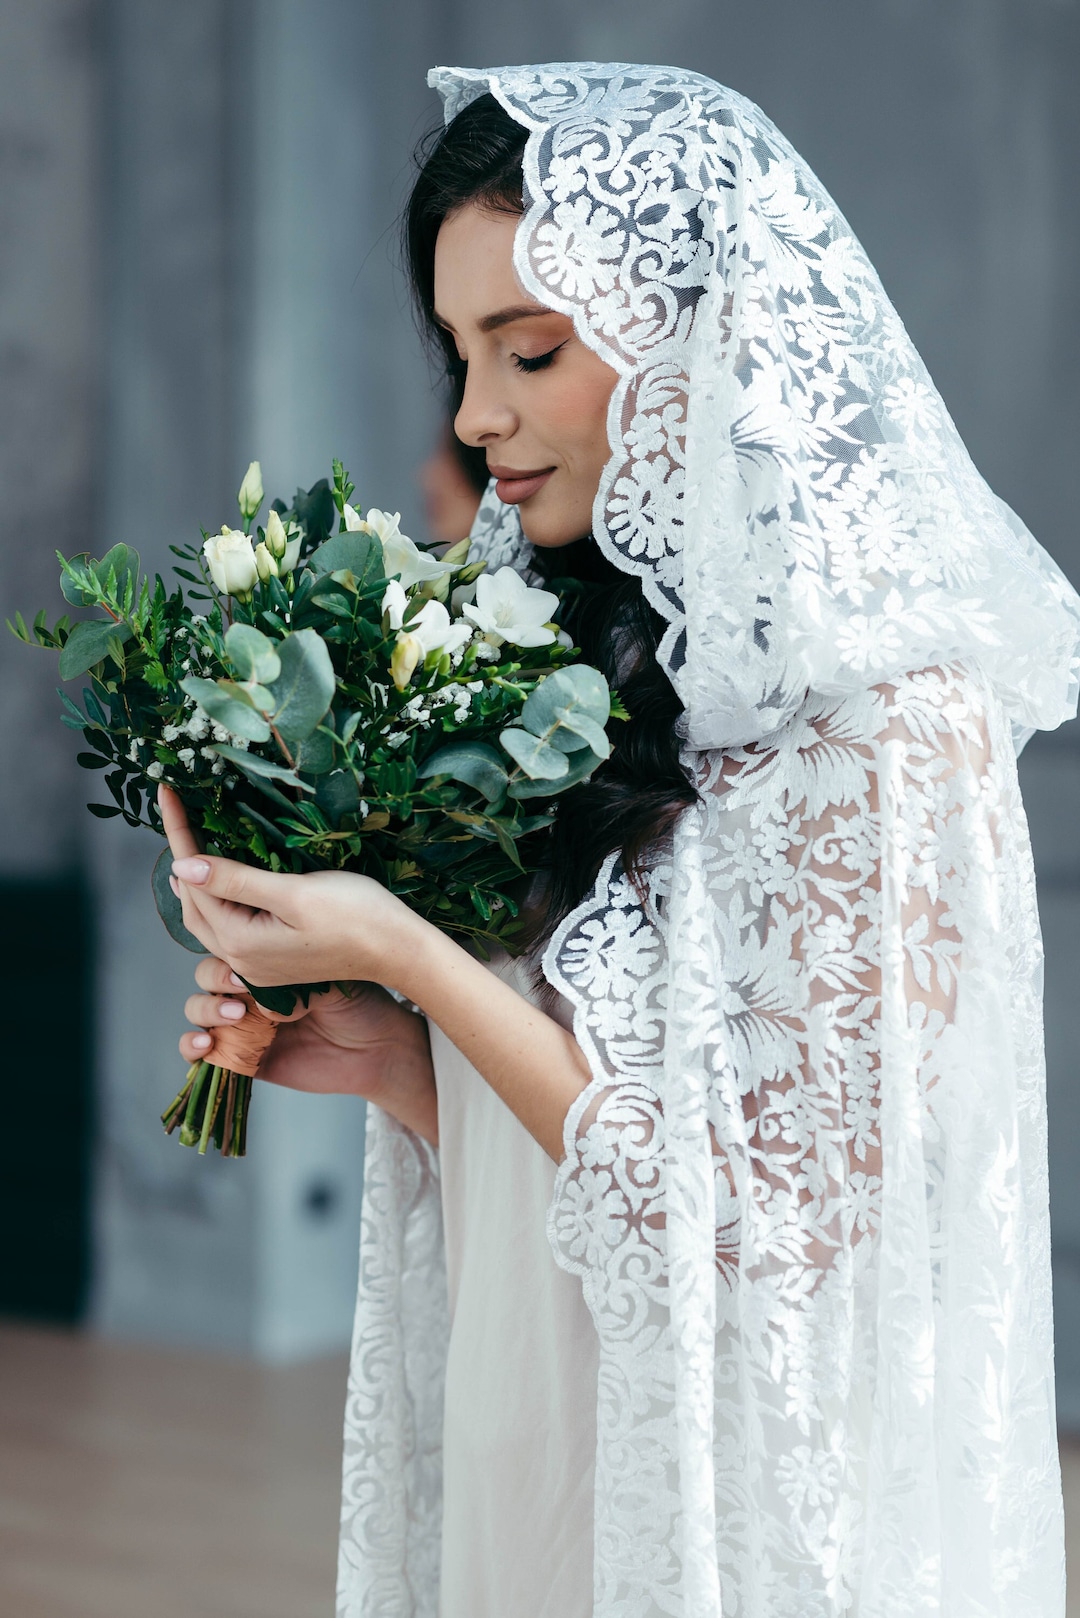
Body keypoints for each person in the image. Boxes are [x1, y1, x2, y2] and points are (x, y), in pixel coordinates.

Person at [163, 64, 1080, 1618]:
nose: (475, 414)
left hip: (760, 1539)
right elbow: (615, 1189)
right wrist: (405, 1064)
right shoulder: (598, 679)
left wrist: (415, 960)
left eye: (529, 349)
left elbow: (775, 1262)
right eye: (458, 353)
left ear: (703, 339)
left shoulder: (893, 726)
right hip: (560, 1480)